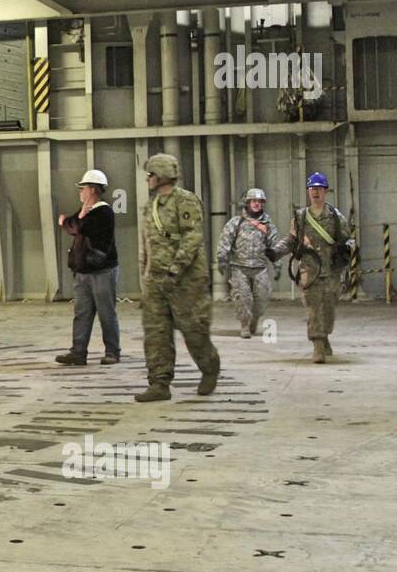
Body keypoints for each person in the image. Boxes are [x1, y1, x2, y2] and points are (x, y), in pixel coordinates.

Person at [136, 153, 221, 402]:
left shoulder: (186, 201)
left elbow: (192, 238)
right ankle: (159, 383)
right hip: (156, 280)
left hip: (186, 280)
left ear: (161, 176)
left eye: (151, 175)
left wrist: (176, 269)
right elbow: (147, 244)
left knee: (194, 329)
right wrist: (145, 276)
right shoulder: (150, 206)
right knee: (155, 332)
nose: (148, 179)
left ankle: (209, 367)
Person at [273, 172, 354, 363]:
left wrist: (346, 247)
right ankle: (317, 344)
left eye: (318, 188)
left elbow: (350, 240)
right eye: (312, 188)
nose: (315, 192)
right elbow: (291, 240)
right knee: (313, 309)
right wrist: (275, 252)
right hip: (309, 271)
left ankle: (324, 335)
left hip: (332, 271)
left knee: (329, 310)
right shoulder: (300, 218)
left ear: (325, 191)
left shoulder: (335, 216)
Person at [55, 169, 120, 366]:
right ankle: (78, 352)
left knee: (106, 312)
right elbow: (71, 225)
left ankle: (112, 352)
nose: (80, 192)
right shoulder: (87, 211)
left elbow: (73, 226)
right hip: (83, 272)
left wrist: (74, 220)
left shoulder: (103, 212)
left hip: (101, 272)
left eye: (82, 188)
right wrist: (74, 220)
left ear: (92, 190)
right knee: (81, 313)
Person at [216, 188, 286, 338]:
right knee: (243, 298)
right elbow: (225, 240)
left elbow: (275, 246)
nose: (256, 204)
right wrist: (222, 259)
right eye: (253, 201)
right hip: (239, 267)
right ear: (247, 203)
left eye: (259, 202)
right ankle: (245, 324)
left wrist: (277, 265)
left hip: (259, 267)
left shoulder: (267, 224)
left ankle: (254, 319)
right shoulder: (237, 222)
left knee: (262, 297)